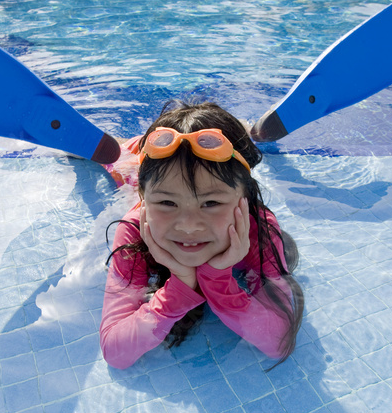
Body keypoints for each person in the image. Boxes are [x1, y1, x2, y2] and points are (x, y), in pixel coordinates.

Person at [99, 100, 303, 369]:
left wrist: (217, 279)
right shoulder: (135, 231)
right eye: (167, 203)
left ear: (244, 200)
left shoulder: (258, 229)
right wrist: (179, 287)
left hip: (170, 174)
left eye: (211, 203)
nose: (188, 226)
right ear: (146, 202)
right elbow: (115, 353)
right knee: (115, 160)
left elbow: (278, 342)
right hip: (137, 174)